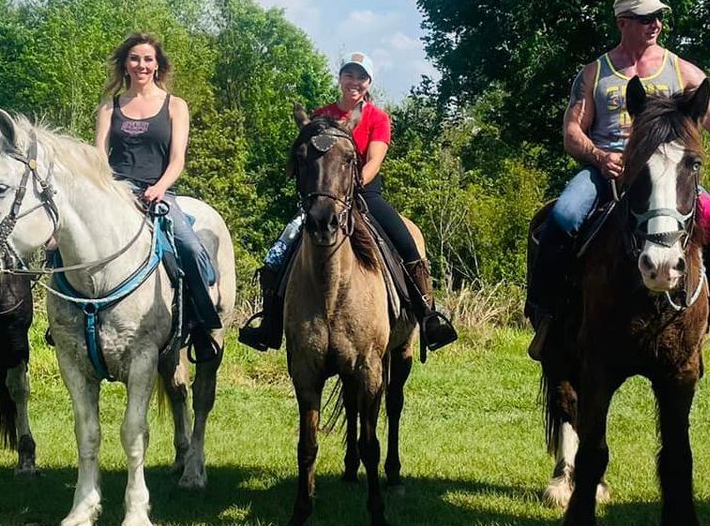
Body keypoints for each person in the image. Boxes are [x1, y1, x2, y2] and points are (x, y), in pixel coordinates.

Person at [526, 0, 710, 358]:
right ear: (622, 23)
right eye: (646, 19)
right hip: (608, 171)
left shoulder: (682, 71)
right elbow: (572, 133)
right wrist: (599, 157)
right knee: (562, 219)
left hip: (671, 178)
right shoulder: (595, 74)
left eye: (658, 18)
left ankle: (700, 328)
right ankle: (548, 317)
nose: (656, 25)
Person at [238, 53, 458, 354]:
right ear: (340, 78)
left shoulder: (378, 118)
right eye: (349, 75)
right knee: (279, 252)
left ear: (369, 83)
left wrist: (353, 188)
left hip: (365, 194)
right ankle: (270, 322)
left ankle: (428, 316)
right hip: (323, 198)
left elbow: (375, 161)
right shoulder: (322, 115)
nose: (354, 82)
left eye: (361, 77)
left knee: (407, 245)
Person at [94, 31, 225, 364]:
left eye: (147, 59)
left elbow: (177, 159)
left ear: (157, 65)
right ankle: (65, 321)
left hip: (158, 192)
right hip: (117, 193)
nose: (141, 65)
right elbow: (99, 157)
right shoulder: (110, 106)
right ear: (125, 64)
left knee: (190, 247)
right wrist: (107, 189)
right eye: (134, 58)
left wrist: (160, 187)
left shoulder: (175, 106)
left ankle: (200, 324)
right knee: (67, 239)